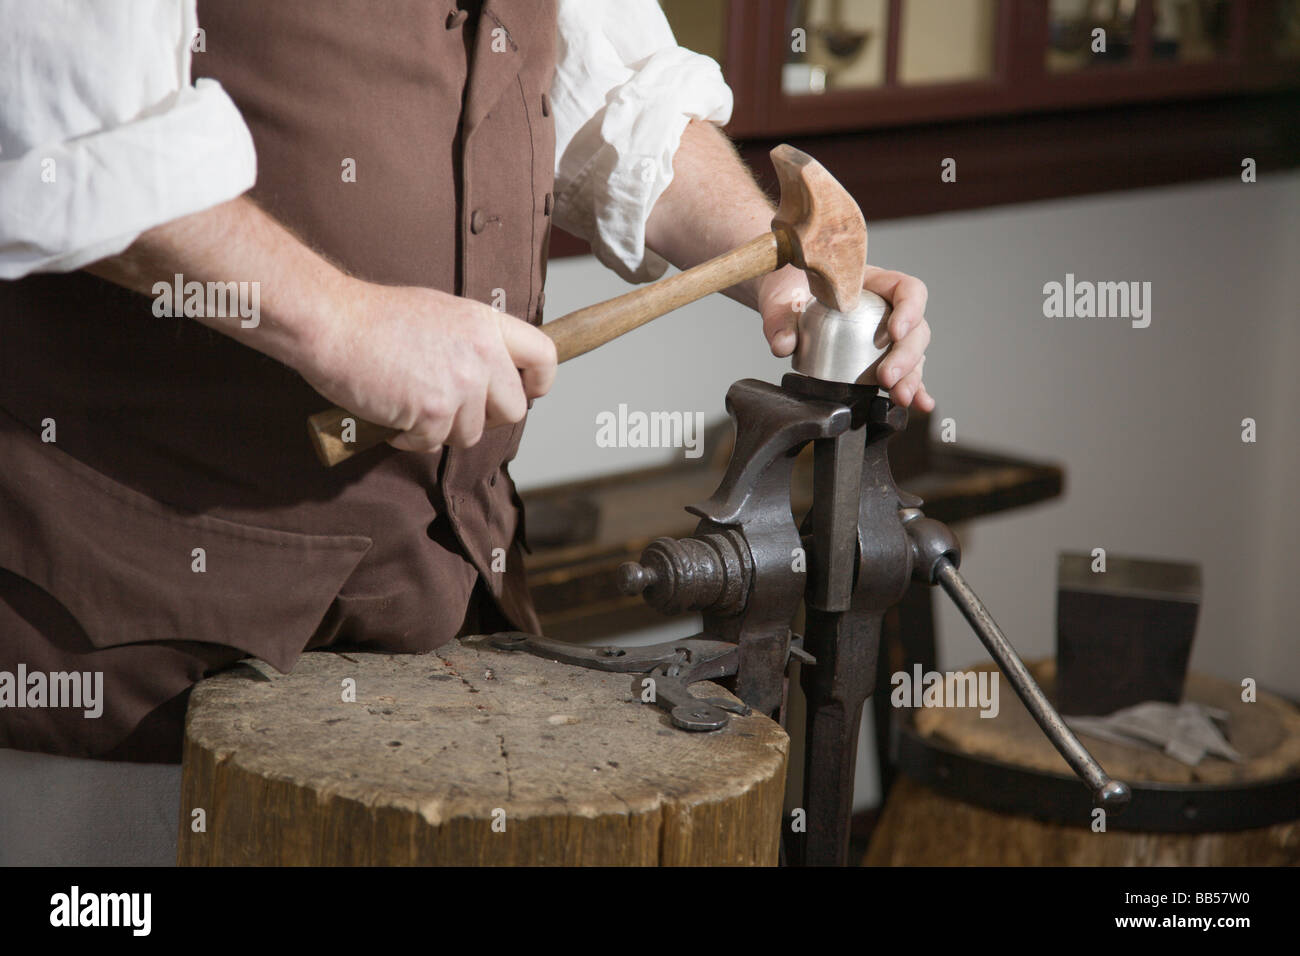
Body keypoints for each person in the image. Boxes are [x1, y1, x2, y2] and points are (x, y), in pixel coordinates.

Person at [0, 0, 932, 762]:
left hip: (448, 585)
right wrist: (343, 322)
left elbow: (605, 93)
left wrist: (766, 251)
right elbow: (52, 126)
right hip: (133, 619)